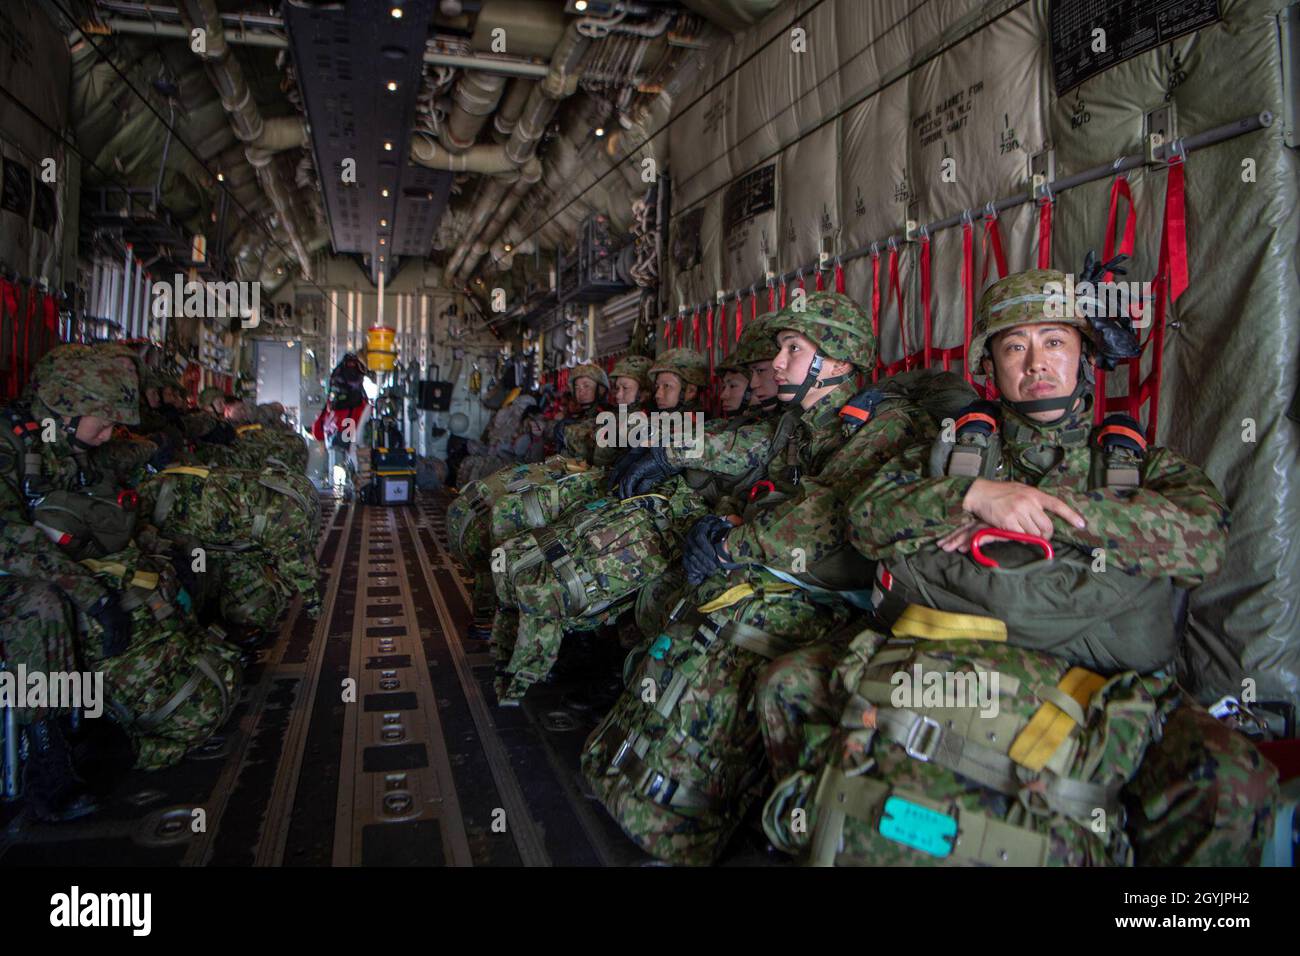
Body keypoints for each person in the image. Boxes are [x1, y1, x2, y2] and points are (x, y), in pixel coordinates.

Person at [760, 267, 1277, 865]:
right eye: (1015, 346)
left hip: (1098, 682)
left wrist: (1045, 514)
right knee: (786, 684)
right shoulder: (949, 455)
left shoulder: (1142, 467)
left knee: (1234, 785)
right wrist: (972, 497)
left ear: (1082, 357)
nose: (1036, 362)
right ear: (990, 367)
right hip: (942, 659)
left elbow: (1203, 543)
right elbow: (866, 518)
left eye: (1054, 341)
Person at [580, 292, 968, 865]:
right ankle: (657, 764)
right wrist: (666, 449)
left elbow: (827, 516)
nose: (779, 363)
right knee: (686, 603)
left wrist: (731, 544)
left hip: (847, 592)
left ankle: (712, 806)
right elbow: (739, 447)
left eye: (793, 349)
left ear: (836, 362)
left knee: (730, 626)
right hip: (791, 570)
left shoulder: (882, 427)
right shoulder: (800, 421)